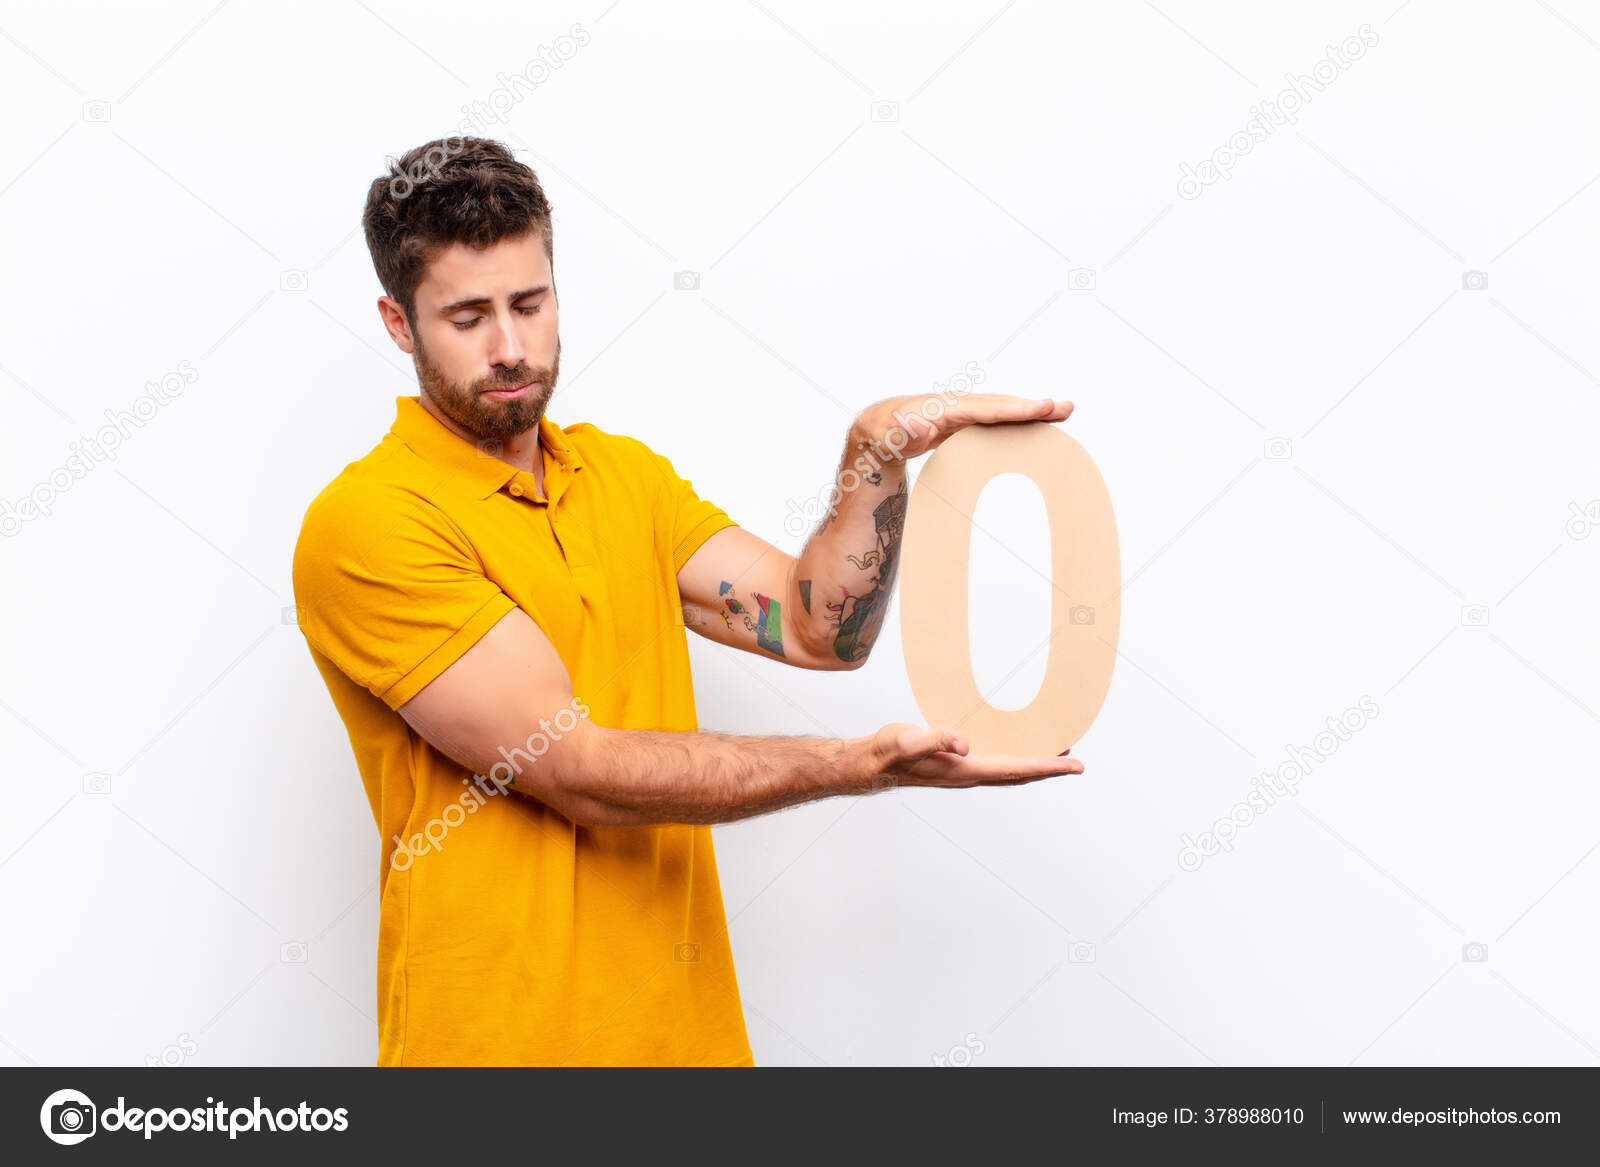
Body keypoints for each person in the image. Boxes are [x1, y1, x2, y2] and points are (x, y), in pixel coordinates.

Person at [290, 135, 1083, 1067]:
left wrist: (874, 453)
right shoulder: (370, 522)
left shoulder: (622, 477)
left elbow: (818, 624)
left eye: (529, 303)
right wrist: (856, 764)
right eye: (467, 317)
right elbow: (574, 765)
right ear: (398, 322)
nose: (510, 347)